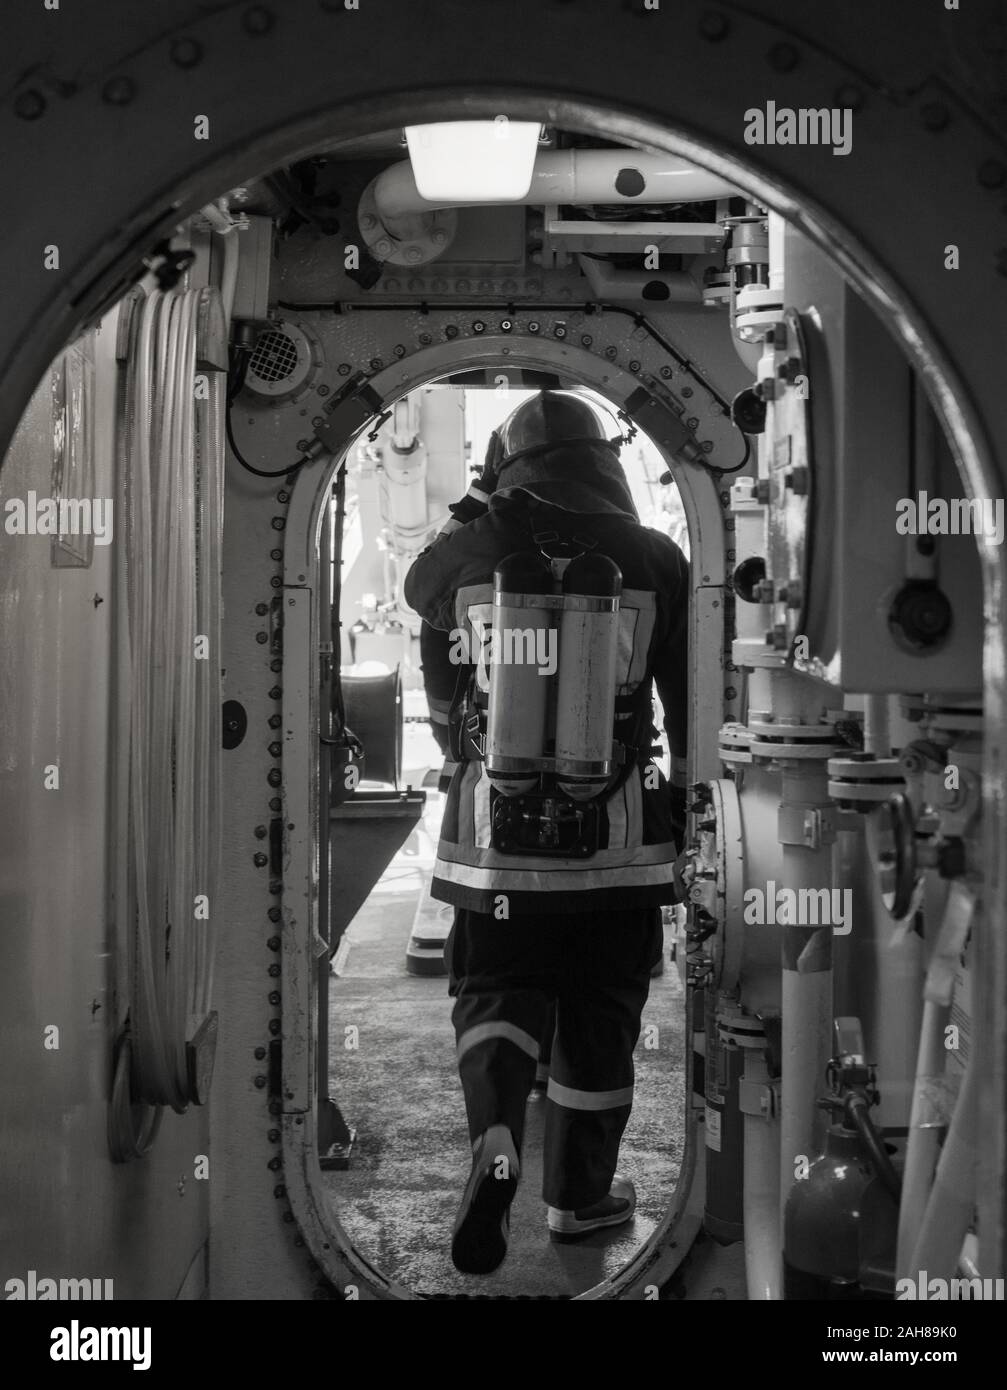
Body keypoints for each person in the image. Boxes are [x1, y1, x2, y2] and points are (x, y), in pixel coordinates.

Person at [404, 390, 690, 1275]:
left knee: (496, 987)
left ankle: (497, 1132)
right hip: (617, 839)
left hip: (495, 841)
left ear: (505, 463)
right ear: (604, 461)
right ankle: (576, 1200)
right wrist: (681, 808)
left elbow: (443, 682)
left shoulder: (474, 549)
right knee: (602, 1009)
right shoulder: (655, 556)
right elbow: (688, 706)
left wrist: (483, 518)